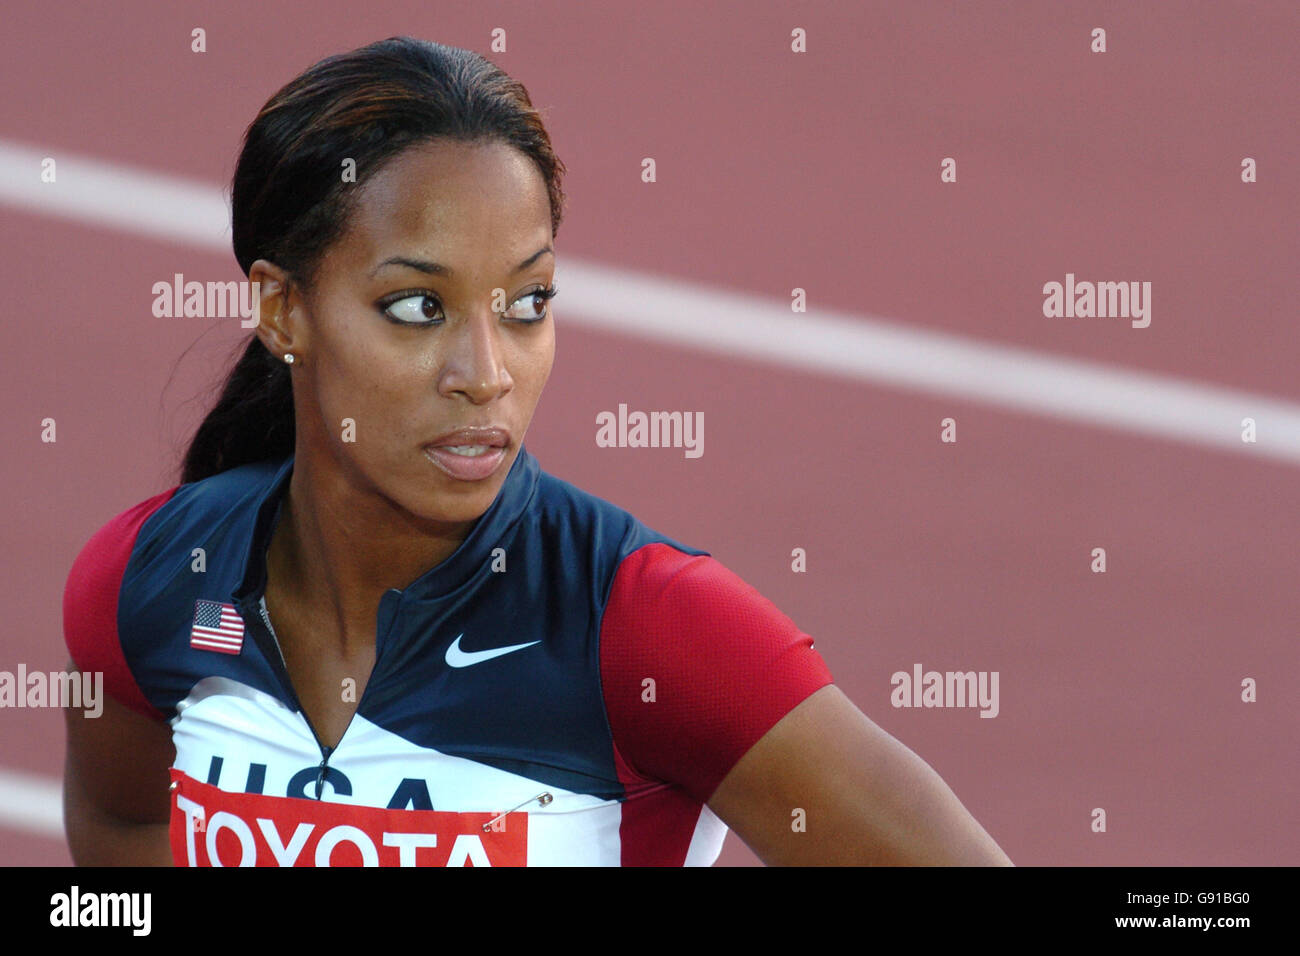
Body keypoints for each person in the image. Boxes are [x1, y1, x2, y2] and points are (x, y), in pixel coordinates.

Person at [61, 36, 1013, 867]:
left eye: (527, 304)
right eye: (418, 308)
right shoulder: (148, 581)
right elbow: (120, 827)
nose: (487, 372)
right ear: (283, 312)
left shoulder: (649, 631)